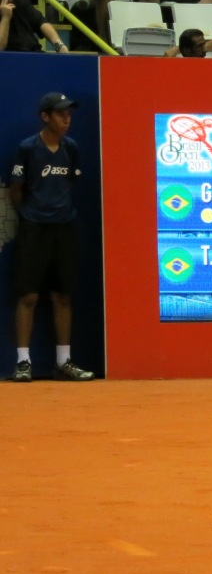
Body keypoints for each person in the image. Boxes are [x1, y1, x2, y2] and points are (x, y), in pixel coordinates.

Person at [7, 93, 95, 383]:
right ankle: (23, 363)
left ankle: (63, 362)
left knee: (62, 296)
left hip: (65, 228)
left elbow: (69, 183)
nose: (66, 119)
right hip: (34, 229)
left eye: (68, 114)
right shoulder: (27, 148)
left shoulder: (71, 148)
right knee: (29, 295)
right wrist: (32, 215)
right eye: (60, 114)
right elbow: (16, 189)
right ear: (45, 117)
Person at [0, 0, 69, 53]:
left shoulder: (21, 2)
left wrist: (59, 45)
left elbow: (42, 23)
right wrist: (5, 18)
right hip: (10, 59)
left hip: (33, 53)